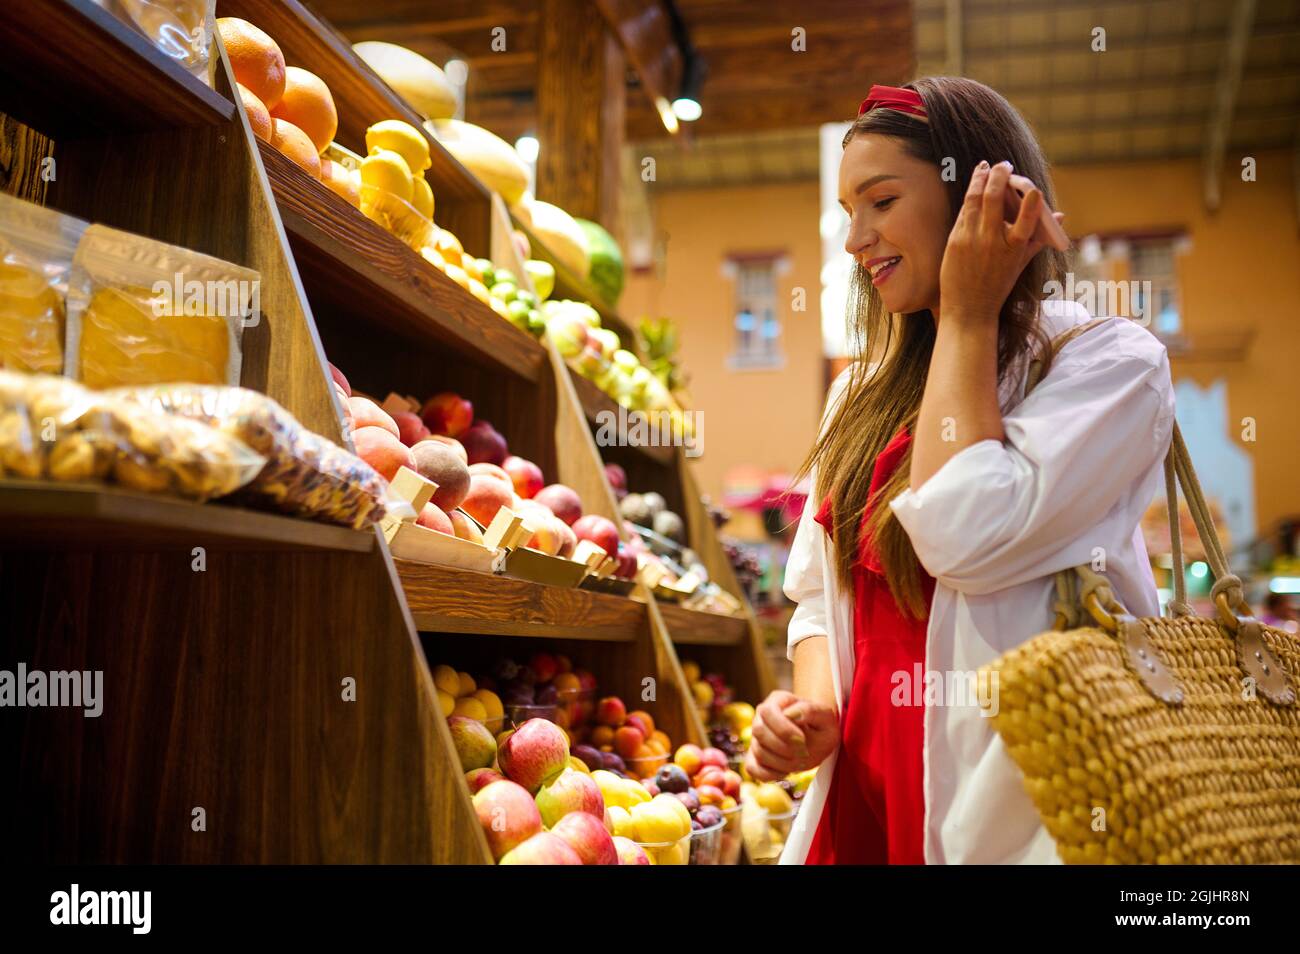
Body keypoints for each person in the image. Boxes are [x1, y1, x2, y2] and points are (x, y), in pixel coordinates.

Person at [743, 78, 1175, 864]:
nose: (854, 239)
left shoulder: (1111, 364)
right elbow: (816, 595)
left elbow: (965, 532)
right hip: (863, 801)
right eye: (848, 213)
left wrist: (969, 312)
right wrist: (814, 711)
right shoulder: (856, 394)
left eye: (880, 201)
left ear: (979, 188)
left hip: (1020, 808)